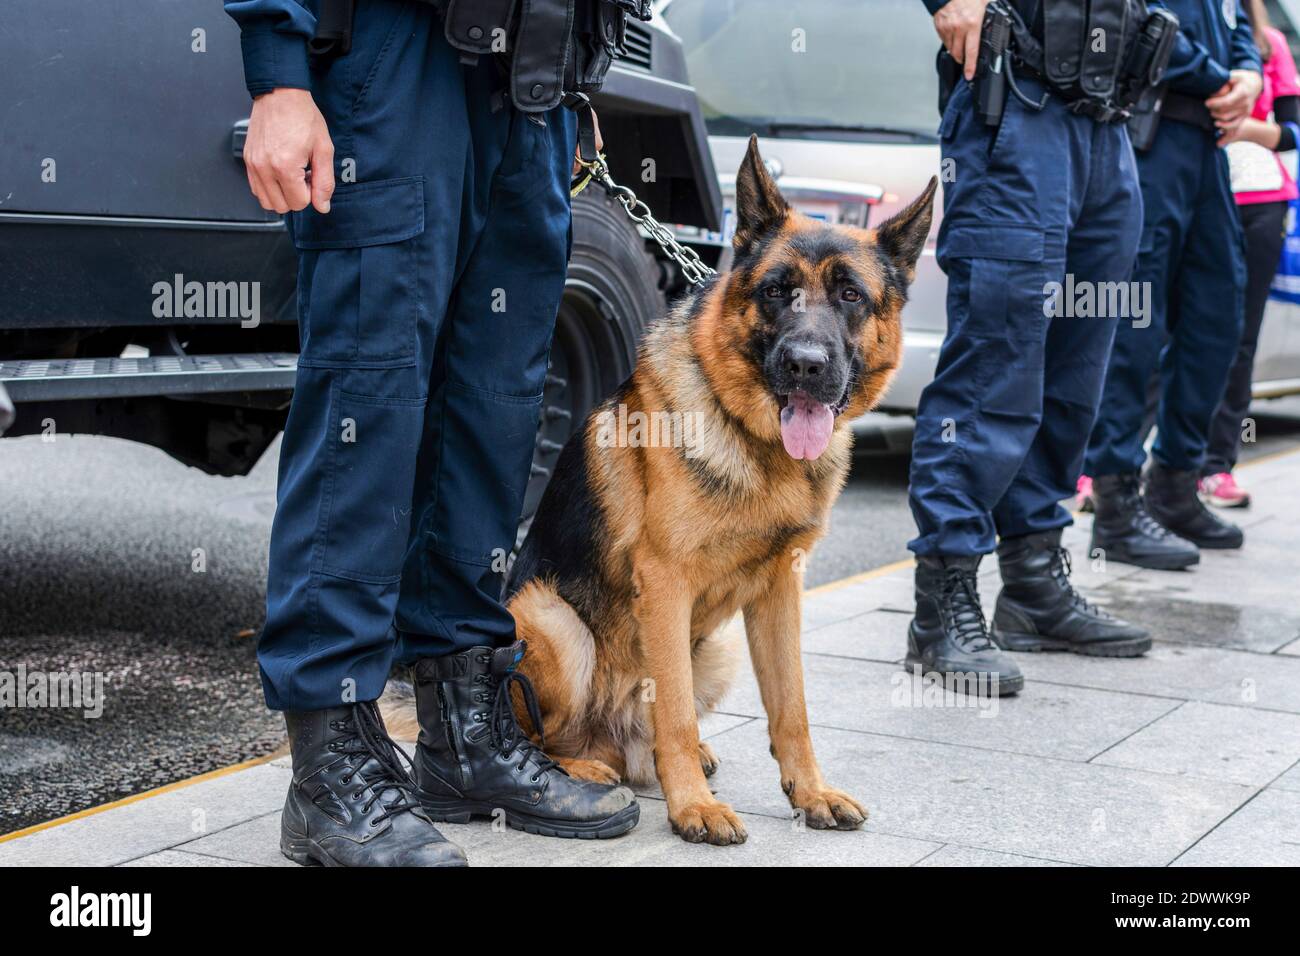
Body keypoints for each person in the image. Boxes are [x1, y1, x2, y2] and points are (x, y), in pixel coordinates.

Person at [223, 0, 643, 867]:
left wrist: (571, 80)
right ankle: (329, 775)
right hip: (398, 58)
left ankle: (462, 737)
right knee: (364, 411)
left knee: (492, 412)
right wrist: (279, 73)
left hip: (533, 85)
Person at [909, 0, 1157, 697]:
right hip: (1016, 103)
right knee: (997, 363)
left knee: (1076, 373)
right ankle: (941, 608)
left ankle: (1034, 586)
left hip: (1107, 125)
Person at [1085, 1, 1262, 568]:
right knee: (1134, 326)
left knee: (1218, 317)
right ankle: (1113, 504)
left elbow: (1238, 26)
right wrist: (1221, 79)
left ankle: (1175, 486)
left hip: (1205, 149)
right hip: (1147, 138)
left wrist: (1250, 73)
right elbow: (1131, 20)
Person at [1202, 0, 1299, 508]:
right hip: (1191, 192)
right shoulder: (1185, 27)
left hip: (1261, 203)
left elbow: (1293, 132)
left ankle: (1216, 468)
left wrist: (1241, 128)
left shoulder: (1270, 45)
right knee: (1155, 331)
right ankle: (1110, 469)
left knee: (1240, 338)